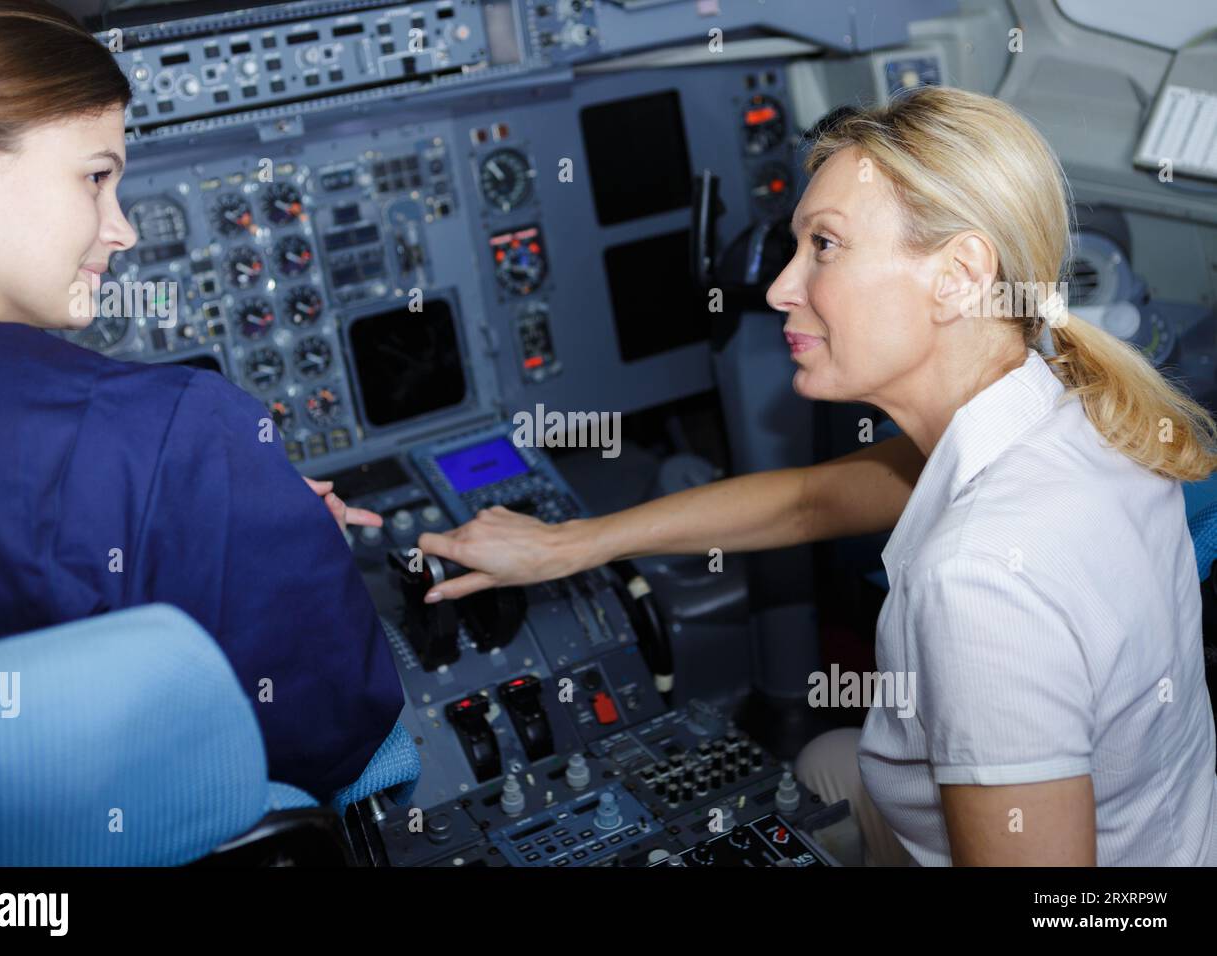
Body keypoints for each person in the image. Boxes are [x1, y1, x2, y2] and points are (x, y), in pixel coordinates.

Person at [418, 86, 1217, 865]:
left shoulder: (980, 582)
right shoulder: (1076, 406)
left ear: (960, 275)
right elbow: (806, 502)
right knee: (832, 759)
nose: (777, 288)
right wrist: (567, 544)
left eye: (824, 246)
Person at [0, 0, 401, 801]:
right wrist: (273, 543)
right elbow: (332, 734)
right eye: (97, 177)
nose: (123, 230)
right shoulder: (173, 435)